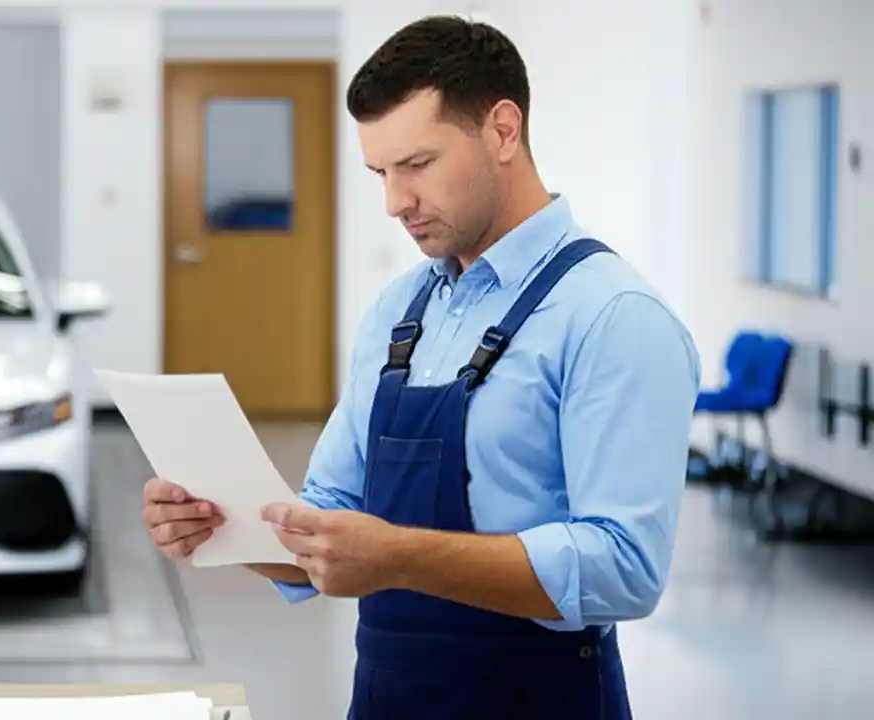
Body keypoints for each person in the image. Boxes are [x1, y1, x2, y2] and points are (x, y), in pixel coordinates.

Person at [141, 14, 700, 720]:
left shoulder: (613, 316)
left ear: (503, 130)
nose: (394, 202)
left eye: (417, 165)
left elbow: (626, 568)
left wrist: (400, 558)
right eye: (380, 172)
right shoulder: (398, 312)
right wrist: (223, 527)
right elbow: (334, 515)